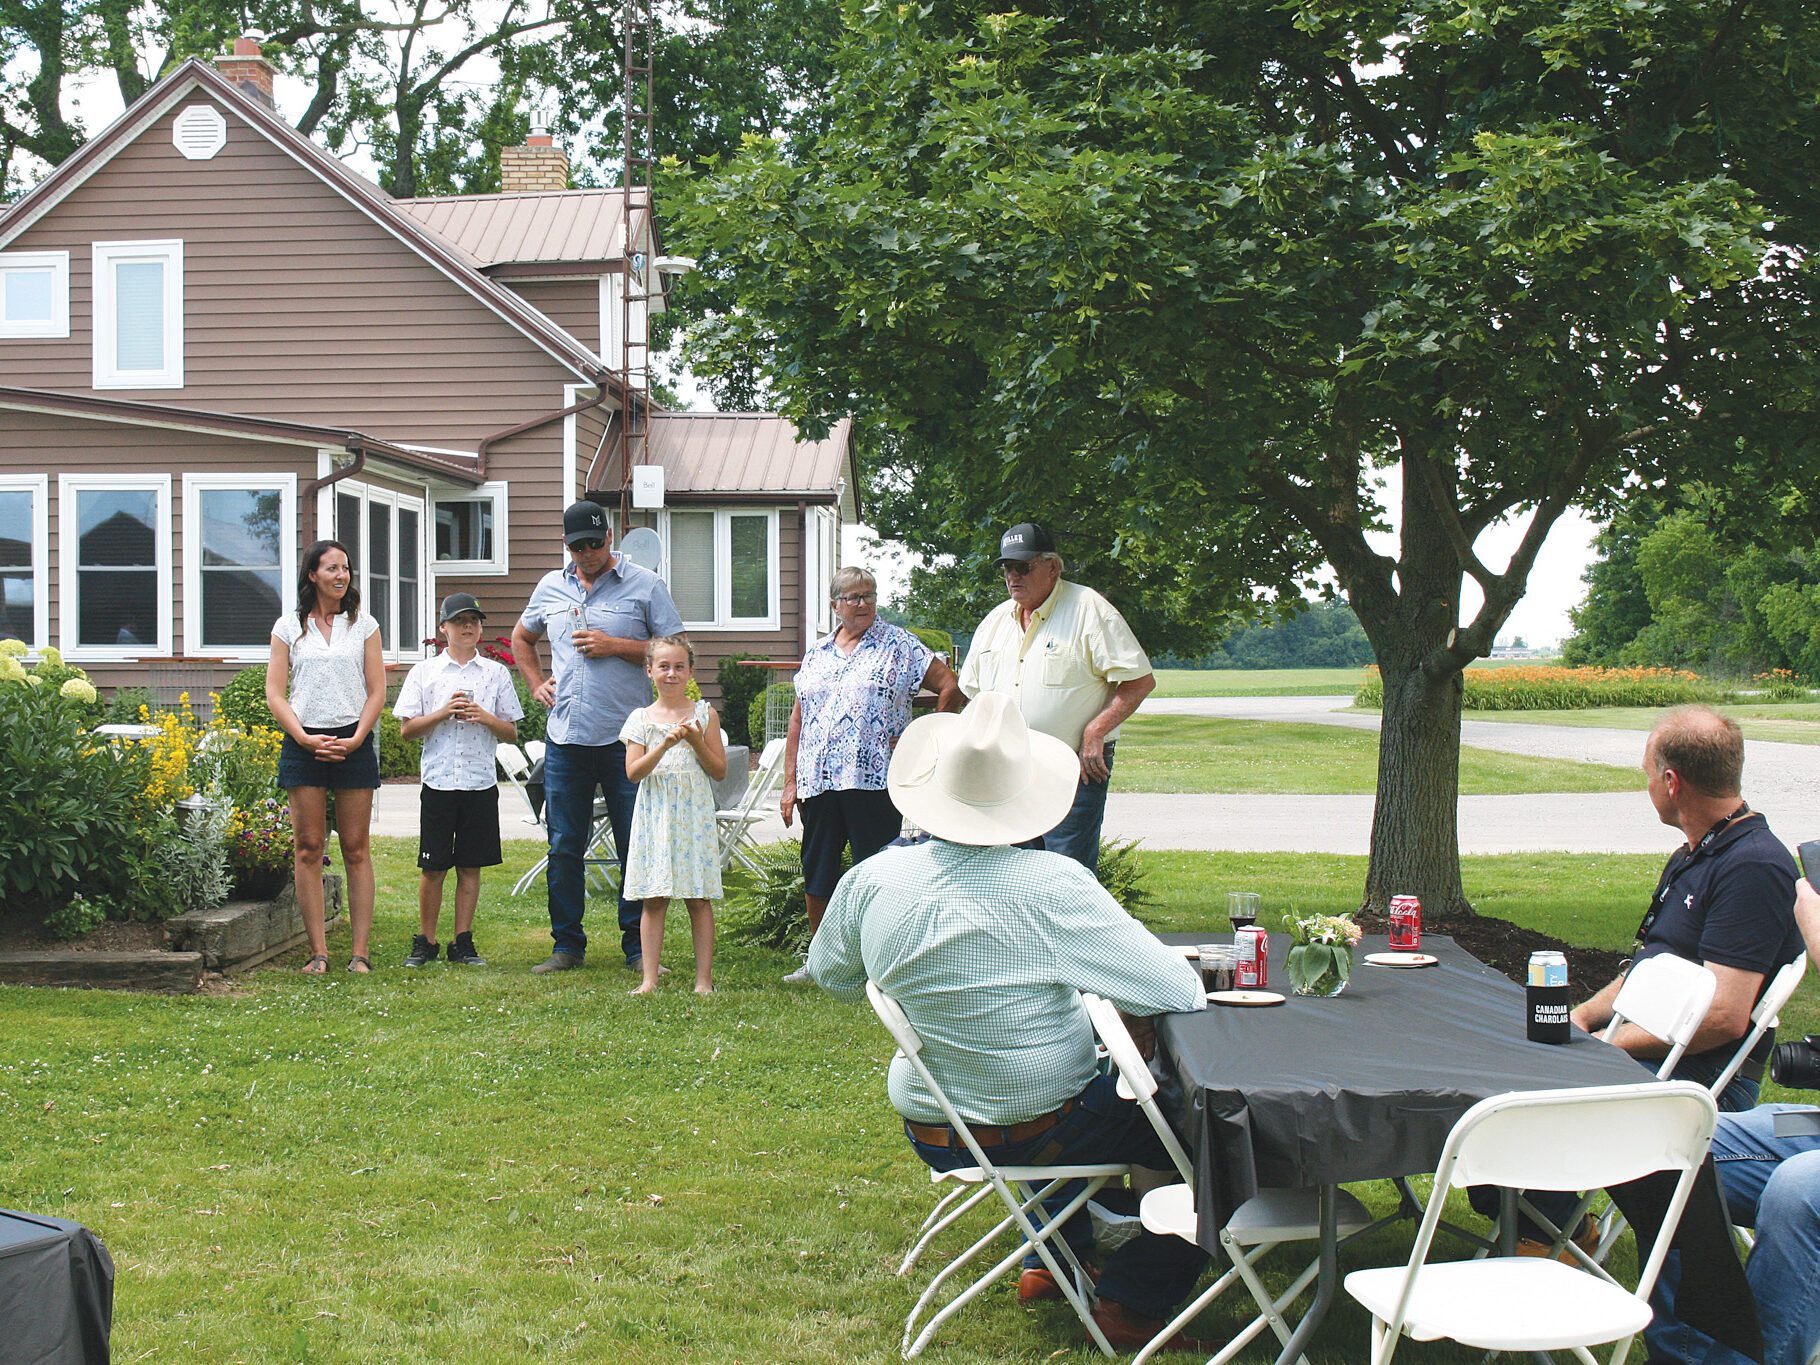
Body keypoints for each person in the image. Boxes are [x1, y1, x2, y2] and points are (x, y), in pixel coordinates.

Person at [808, 693, 1216, 1353]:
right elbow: (1177, 987)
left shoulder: (873, 879)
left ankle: (1051, 1260)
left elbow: (832, 973)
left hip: (934, 1123)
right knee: (1211, 1134)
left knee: (1061, 1089)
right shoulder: (1050, 885)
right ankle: (1132, 1301)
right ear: (1026, 796)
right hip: (1031, 1130)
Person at [1570, 705, 1802, 1106]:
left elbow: (1723, 1019)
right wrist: (1584, 1018)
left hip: (1699, 1080)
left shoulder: (1754, 868)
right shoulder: (1694, 856)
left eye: (1647, 775)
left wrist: (1607, 1045)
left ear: (1671, 781)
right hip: (1657, 1055)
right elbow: (1652, 963)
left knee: (1532, 1101)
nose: (1648, 786)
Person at [1645, 875, 1820, 1365]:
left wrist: (1814, 919)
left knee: (1800, 1189)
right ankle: (1683, 1355)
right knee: (1677, 1139)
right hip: (1812, 1127)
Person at [511, 501, 685, 973]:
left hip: (627, 739)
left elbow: (676, 648)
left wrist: (617, 646)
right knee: (564, 843)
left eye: (594, 543)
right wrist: (534, 683)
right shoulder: (551, 586)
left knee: (636, 843)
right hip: (567, 737)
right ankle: (567, 946)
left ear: (609, 536)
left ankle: (637, 950)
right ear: (565, 545)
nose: (587, 553)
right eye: (577, 546)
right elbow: (521, 639)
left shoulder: (646, 585)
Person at [779, 567, 961, 983]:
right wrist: (790, 782)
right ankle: (820, 963)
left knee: (878, 871)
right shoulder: (818, 653)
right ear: (834, 606)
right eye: (853, 598)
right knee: (818, 869)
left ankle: (879, 964)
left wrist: (922, 737)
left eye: (869, 596)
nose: (862, 604)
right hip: (820, 781)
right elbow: (798, 719)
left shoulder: (900, 645)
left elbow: (950, 685)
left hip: (876, 780)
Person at [958, 522, 1154, 872]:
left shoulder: (1088, 609)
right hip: (1006, 773)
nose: (1012, 576)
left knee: (1067, 877)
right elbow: (974, 696)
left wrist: (1095, 732)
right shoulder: (994, 623)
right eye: (1007, 568)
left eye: (1023, 567)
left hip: (1073, 769)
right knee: (1009, 875)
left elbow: (1139, 681)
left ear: (1053, 567)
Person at [265, 539, 385, 975]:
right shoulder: (288, 627)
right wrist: (302, 737)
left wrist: (356, 739)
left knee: (355, 847)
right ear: (312, 575)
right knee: (309, 847)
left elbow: (377, 691)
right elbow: (275, 692)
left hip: (353, 741)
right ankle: (318, 952)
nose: (342, 575)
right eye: (332, 568)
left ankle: (360, 953)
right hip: (304, 743)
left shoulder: (365, 625)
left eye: (346, 568)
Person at [392, 593, 524, 968]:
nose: (468, 627)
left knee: (470, 866)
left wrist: (484, 716)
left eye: (474, 621)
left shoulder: (495, 674)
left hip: (479, 782)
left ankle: (462, 941)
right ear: (443, 628)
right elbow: (407, 730)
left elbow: (511, 731)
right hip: (438, 781)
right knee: (433, 866)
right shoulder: (425, 673)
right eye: (459, 621)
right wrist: (442, 712)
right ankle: (426, 940)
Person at [621, 636, 726, 995]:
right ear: (650, 671)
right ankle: (649, 978)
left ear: (690, 671)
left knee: (698, 898)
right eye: (663, 666)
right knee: (655, 897)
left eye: (679, 666)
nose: (671, 673)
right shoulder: (641, 718)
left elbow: (718, 770)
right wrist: (664, 744)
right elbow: (633, 772)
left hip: (693, 815)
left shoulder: (705, 714)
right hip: (656, 814)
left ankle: (704, 980)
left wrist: (695, 740)